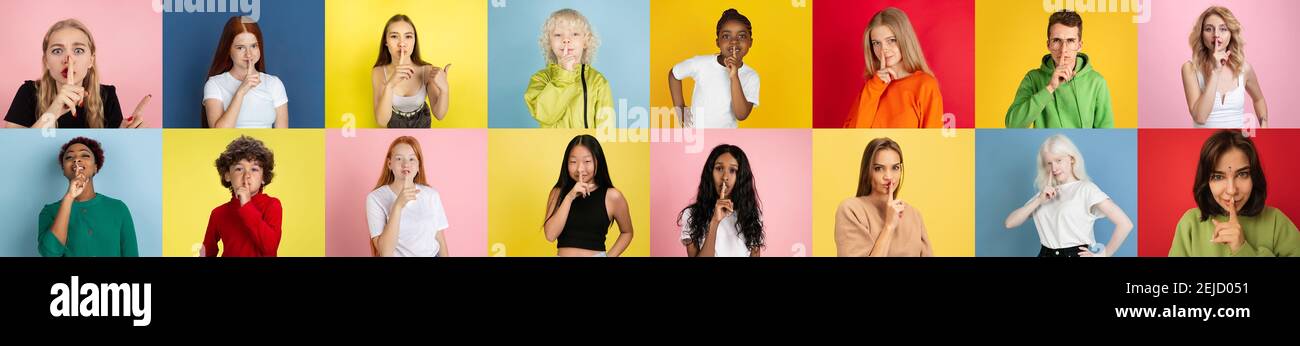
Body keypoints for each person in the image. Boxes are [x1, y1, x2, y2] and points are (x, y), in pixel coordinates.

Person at [1170, 130, 1299, 257]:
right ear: (1206, 181)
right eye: (1218, 177)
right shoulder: (1190, 224)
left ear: (1254, 177)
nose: (1231, 190)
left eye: (1242, 174)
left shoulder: (1276, 221)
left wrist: (1242, 249)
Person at [1003, 134, 1133, 257]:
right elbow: (1009, 223)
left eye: (1058, 160)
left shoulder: (1085, 189)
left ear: (1071, 159)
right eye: (1049, 163)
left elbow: (1125, 224)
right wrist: (1039, 200)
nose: (1054, 168)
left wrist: (1105, 253)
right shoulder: (1044, 195)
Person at [5, 19, 147, 128]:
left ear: (91, 60)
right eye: (57, 51)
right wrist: (53, 112)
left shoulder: (107, 95)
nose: (68, 59)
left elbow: (111, 156)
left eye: (78, 50)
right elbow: (10, 153)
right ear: (46, 61)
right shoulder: (29, 92)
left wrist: (125, 136)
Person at [1005, 10, 1114, 128]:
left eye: (1070, 41)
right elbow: (1012, 125)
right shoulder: (1033, 79)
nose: (1063, 50)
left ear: (1079, 45)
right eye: (1057, 41)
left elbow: (1106, 134)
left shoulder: (1096, 82)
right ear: (1048, 45)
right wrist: (1050, 88)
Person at [37, 137, 138, 257]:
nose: (77, 159)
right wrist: (69, 198)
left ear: (95, 167)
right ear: (63, 170)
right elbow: (49, 253)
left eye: (85, 155)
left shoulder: (118, 208)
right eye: (69, 157)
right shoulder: (49, 212)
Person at [844, 7, 943, 128]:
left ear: (905, 39)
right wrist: (875, 87)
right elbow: (851, 137)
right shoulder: (871, 88)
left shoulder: (925, 85)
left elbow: (932, 142)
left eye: (891, 40)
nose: (883, 49)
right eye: (876, 43)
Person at [835, 138, 932, 257]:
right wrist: (889, 226)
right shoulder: (851, 210)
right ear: (868, 171)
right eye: (879, 168)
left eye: (895, 168)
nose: (889, 176)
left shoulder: (914, 215)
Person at [541, 135, 633, 257]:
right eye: (573, 162)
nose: (580, 169)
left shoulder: (612, 196)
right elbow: (550, 235)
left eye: (587, 161)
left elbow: (627, 232)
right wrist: (570, 196)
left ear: (598, 161)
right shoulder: (558, 192)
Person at [668, 8, 760, 128]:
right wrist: (681, 110)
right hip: (696, 136)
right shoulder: (701, 63)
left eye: (741, 36)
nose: (734, 42)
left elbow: (741, 114)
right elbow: (674, 74)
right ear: (718, 42)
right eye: (726, 36)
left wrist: (734, 76)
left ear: (750, 42)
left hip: (725, 140)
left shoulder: (751, 76)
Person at [1180, 6, 1268, 129]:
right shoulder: (1190, 68)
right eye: (1208, 29)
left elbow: (1259, 99)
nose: (1216, 35)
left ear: (1231, 33)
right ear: (1201, 34)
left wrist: (1264, 125)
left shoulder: (1244, 69)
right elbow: (1200, 117)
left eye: (1223, 29)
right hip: (1206, 144)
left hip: (1237, 143)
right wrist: (1215, 71)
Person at [524, 9, 613, 129]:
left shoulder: (598, 81)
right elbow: (545, 115)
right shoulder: (540, 79)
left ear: (586, 41)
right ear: (549, 43)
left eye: (575, 34)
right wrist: (564, 73)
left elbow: (606, 130)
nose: (566, 39)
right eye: (558, 35)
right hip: (552, 146)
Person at [366, 136, 451, 257]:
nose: (406, 164)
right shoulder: (375, 198)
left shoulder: (431, 195)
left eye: (412, 159)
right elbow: (385, 252)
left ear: (418, 166)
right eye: (399, 158)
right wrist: (398, 205)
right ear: (389, 164)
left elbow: (440, 239)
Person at [202, 135, 282, 257]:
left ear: (263, 178)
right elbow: (207, 251)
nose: (247, 176)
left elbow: (270, 249)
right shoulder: (218, 213)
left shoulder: (272, 205)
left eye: (254, 169)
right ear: (227, 175)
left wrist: (246, 206)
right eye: (239, 169)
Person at [678, 144, 764, 257]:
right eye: (719, 168)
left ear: (741, 176)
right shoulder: (691, 215)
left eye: (732, 170)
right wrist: (714, 221)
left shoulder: (751, 214)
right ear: (710, 173)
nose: (725, 177)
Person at [203, 16, 288, 128]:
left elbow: (282, 137)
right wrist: (241, 91)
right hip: (229, 146)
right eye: (240, 48)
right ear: (228, 50)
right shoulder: (215, 84)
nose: (248, 54)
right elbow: (219, 134)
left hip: (266, 146)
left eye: (253, 46)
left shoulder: (274, 84)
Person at [372, 14, 451, 128]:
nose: (402, 43)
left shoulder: (426, 70)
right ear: (386, 41)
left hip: (423, 125)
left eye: (408, 36)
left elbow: (440, 115)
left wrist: (444, 89)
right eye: (394, 36)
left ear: (414, 41)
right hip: (393, 127)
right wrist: (390, 85)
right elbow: (381, 121)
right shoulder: (378, 72)